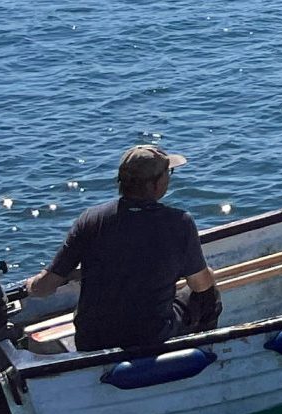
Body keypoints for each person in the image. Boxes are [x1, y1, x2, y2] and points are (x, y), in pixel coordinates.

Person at [27, 144, 220, 352]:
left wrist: (31, 285)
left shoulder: (90, 220)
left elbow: (43, 289)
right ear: (156, 184)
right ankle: (202, 356)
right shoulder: (180, 222)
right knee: (208, 296)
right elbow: (200, 285)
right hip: (150, 337)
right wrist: (208, 274)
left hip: (91, 340)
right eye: (168, 172)